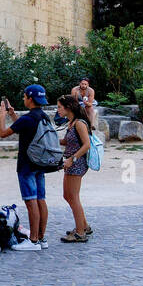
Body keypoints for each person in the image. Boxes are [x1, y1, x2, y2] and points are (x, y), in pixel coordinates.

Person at [0, 84, 51, 251]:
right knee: (41, 199)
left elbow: (3, 133)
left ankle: (33, 240)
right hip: (40, 164)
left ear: (30, 98)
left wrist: (2, 116)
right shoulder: (43, 116)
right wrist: (13, 114)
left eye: (24, 97)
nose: (23, 99)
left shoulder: (28, 119)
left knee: (31, 201)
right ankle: (41, 238)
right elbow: (22, 128)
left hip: (27, 165)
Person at [57, 95, 93, 242]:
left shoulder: (79, 123)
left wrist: (73, 159)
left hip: (76, 163)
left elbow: (87, 145)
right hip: (71, 162)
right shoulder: (71, 123)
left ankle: (80, 233)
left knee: (73, 197)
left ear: (68, 108)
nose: (58, 110)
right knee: (68, 196)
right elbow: (68, 141)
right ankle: (84, 226)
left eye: (59, 107)